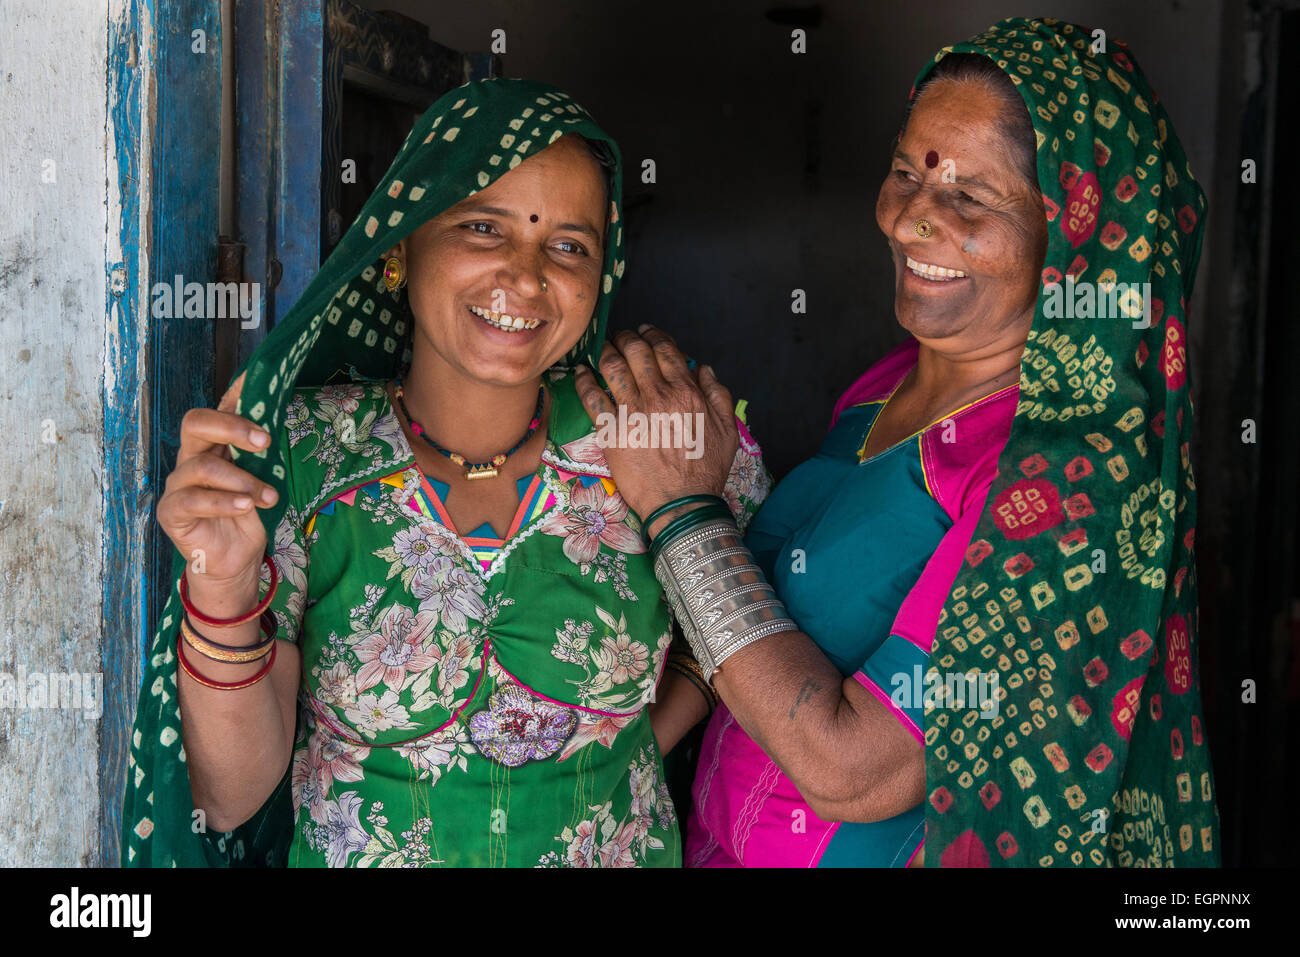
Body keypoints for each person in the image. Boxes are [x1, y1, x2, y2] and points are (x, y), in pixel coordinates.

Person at [578, 16, 1219, 866]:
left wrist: (682, 507)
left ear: (1072, 238)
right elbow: (754, 640)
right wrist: (584, 783)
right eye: (905, 172)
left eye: (971, 197)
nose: (913, 219)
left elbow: (854, 771)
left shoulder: (1064, 483)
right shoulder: (883, 386)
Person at [121, 77, 769, 867]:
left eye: (568, 245)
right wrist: (220, 588)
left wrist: (626, 747)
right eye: (484, 227)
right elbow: (232, 796)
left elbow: (742, 611)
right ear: (400, 243)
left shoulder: (650, 430)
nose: (526, 278)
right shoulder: (302, 455)